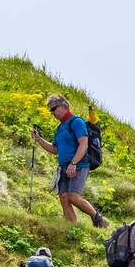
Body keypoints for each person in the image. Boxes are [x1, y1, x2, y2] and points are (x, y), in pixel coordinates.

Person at [33, 94, 107, 228]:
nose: (52, 113)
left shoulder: (76, 122)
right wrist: (39, 140)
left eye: (54, 109)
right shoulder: (60, 128)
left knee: (73, 196)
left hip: (79, 165)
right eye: (51, 110)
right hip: (64, 167)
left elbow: (83, 144)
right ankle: (72, 228)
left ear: (64, 106)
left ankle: (98, 219)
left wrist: (73, 163)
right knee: (64, 198)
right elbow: (55, 149)